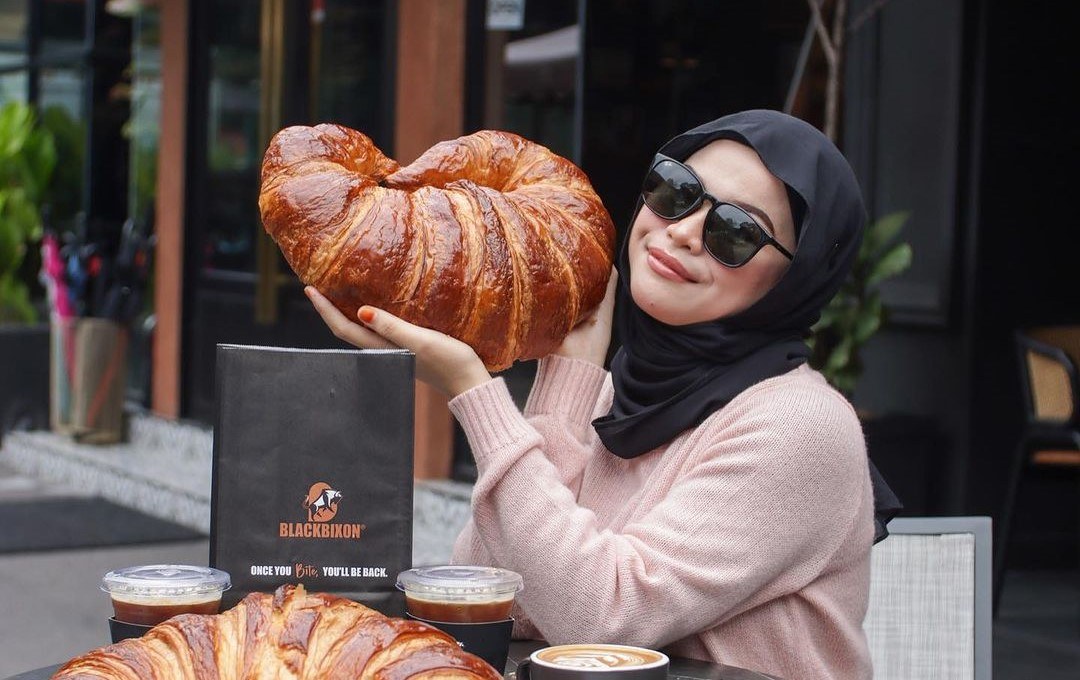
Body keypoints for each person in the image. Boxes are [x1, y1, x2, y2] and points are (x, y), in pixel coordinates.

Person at [306, 109, 899, 680]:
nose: (685, 231)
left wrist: (473, 390)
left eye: (738, 232)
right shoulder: (614, 394)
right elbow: (504, 596)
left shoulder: (799, 425)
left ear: (794, 280)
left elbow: (603, 623)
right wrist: (566, 387)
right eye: (677, 190)